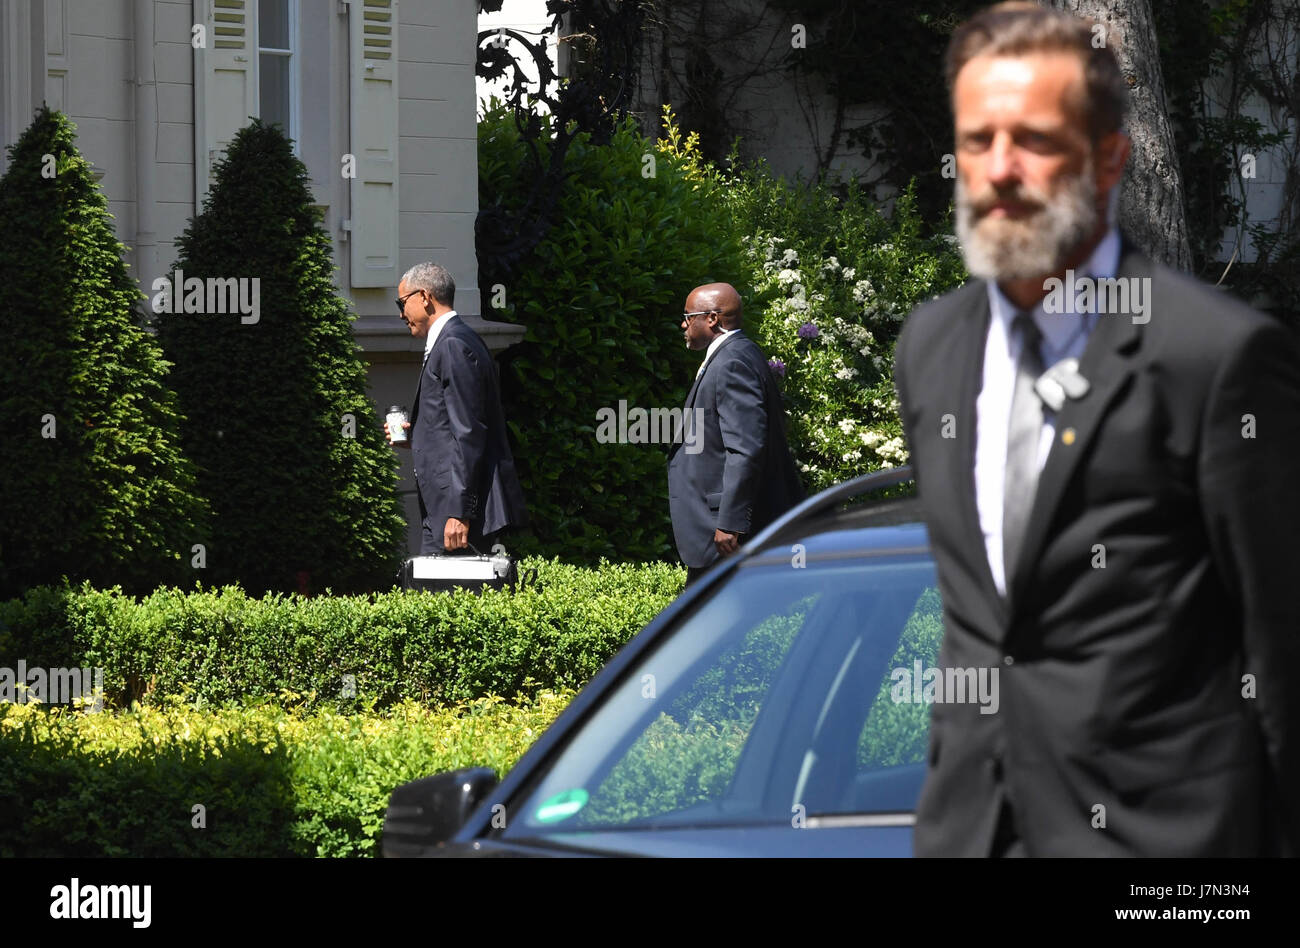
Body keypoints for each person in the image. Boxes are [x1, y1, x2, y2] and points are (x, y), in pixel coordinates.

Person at [893, 2, 1300, 856]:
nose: (999, 170)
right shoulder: (930, 350)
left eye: (1034, 140)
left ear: (1110, 155)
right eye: (977, 140)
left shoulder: (1215, 360)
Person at [668, 282, 803, 586]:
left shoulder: (732, 362)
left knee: (701, 622)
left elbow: (745, 447)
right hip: (722, 533)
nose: (683, 324)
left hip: (724, 538)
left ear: (712, 319)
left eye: (688, 317)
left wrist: (729, 523)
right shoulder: (742, 352)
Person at [386, 262, 526, 554]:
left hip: (454, 516)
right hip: (445, 509)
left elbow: (470, 433)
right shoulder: (457, 340)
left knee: (445, 595)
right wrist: (415, 438)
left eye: (402, 303)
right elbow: (454, 426)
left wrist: (459, 512)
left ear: (424, 297)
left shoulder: (454, 345)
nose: (401, 314)